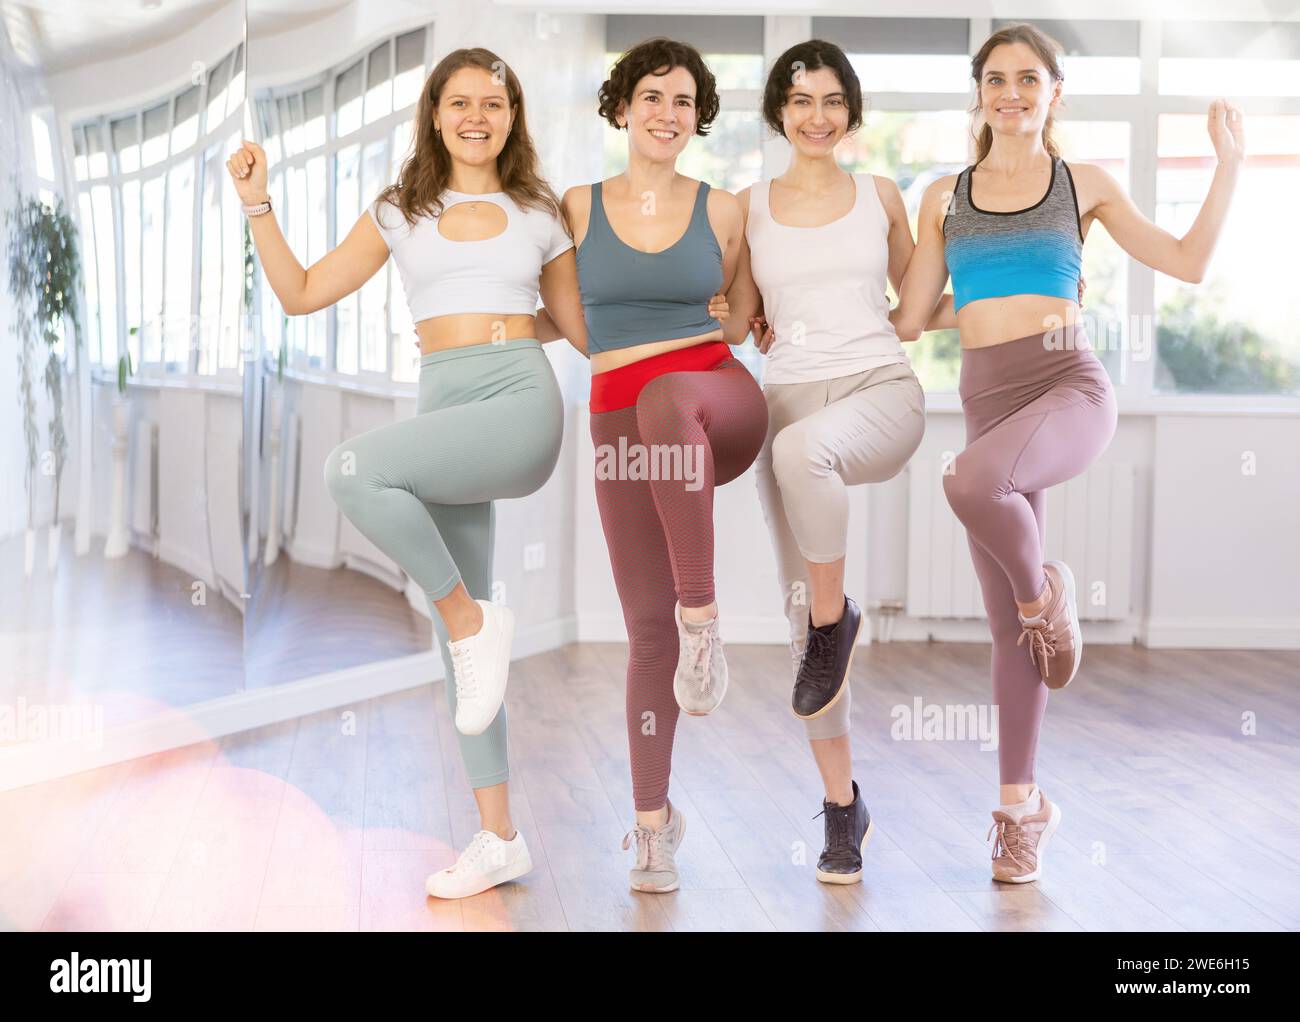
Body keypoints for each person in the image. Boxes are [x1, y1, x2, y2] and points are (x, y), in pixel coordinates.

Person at [891, 22, 1244, 883]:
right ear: (979, 94)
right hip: (986, 397)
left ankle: (1049, 592)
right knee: (1006, 625)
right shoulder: (944, 195)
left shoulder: (1082, 183)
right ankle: (1021, 810)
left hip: (1068, 388)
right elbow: (907, 319)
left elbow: (1189, 262)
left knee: (970, 485)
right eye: (997, 80)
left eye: (1029, 80)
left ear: (1055, 95)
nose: (1011, 93)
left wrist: (1229, 164)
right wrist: (970, 306)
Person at [549, 36, 768, 893]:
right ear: (621, 107)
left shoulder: (724, 211)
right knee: (644, 630)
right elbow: (568, 321)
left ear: (700, 117)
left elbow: (744, 318)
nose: (667, 113)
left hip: (717, 402)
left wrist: (744, 313)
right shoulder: (575, 206)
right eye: (652, 96)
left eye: (684, 101)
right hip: (618, 422)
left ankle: (704, 621)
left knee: (666, 400)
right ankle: (651, 827)